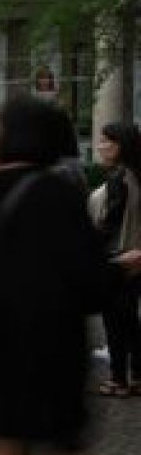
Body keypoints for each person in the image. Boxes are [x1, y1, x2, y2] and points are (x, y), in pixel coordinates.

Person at [0, 97, 127, 455]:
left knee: (6, 442)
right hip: (53, 346)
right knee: (56, 445)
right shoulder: (64, 197)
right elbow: (92, 285)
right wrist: (123, 267)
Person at [90, 122, 141, 397]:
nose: (100, 146)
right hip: (136, 257)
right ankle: (137, 375)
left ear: (120, 145)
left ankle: (119, 379)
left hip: (118, 260)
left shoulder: (118, 179)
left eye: (106, 141)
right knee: (131, 319)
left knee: (115, 322)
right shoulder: (135, 175)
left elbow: (107, 227)